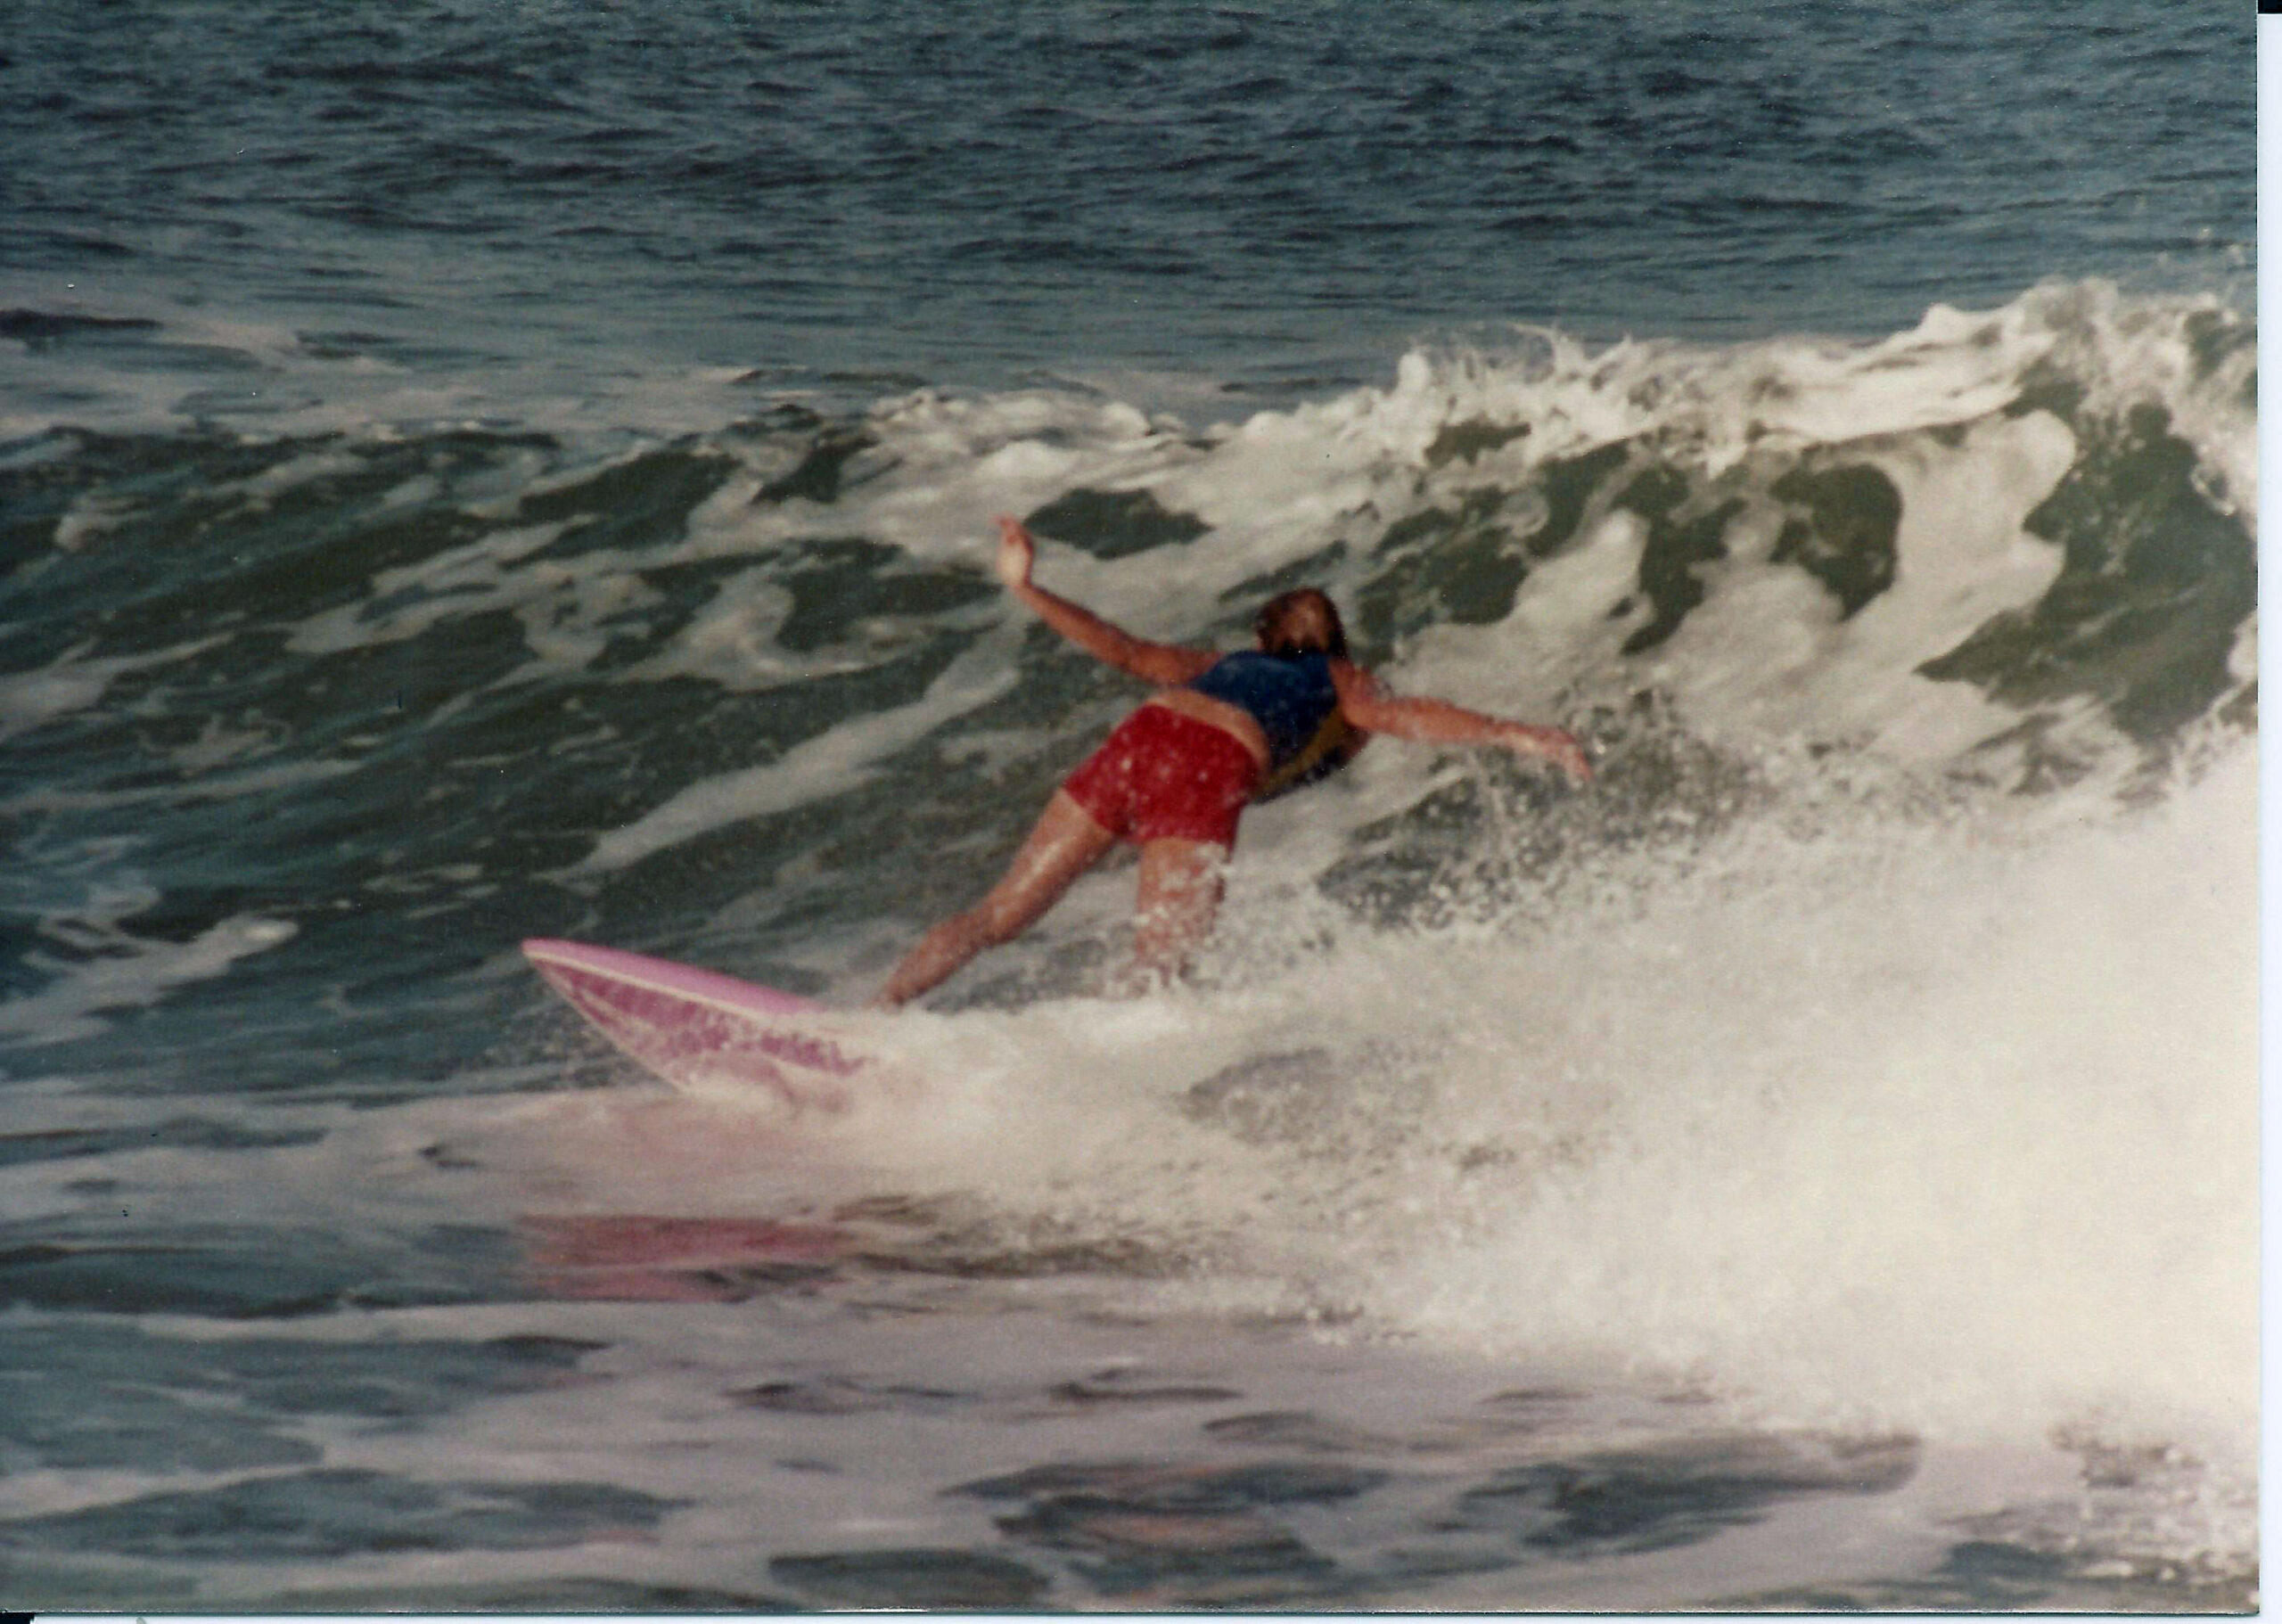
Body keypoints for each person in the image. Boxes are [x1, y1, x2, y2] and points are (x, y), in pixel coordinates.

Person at [874, 516, 1591, 1006]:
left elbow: (1123, 650)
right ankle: (1102, 1098)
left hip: (1142, 737)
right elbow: (1391, 716)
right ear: (1337, 643)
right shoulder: (1342, 679)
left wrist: (1026, 586)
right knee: (1163, 965)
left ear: (1262, 636)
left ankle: (882, 1009)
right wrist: (1516, 733)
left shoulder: (1222, 664)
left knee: (1000, 913)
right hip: (1208, 762)